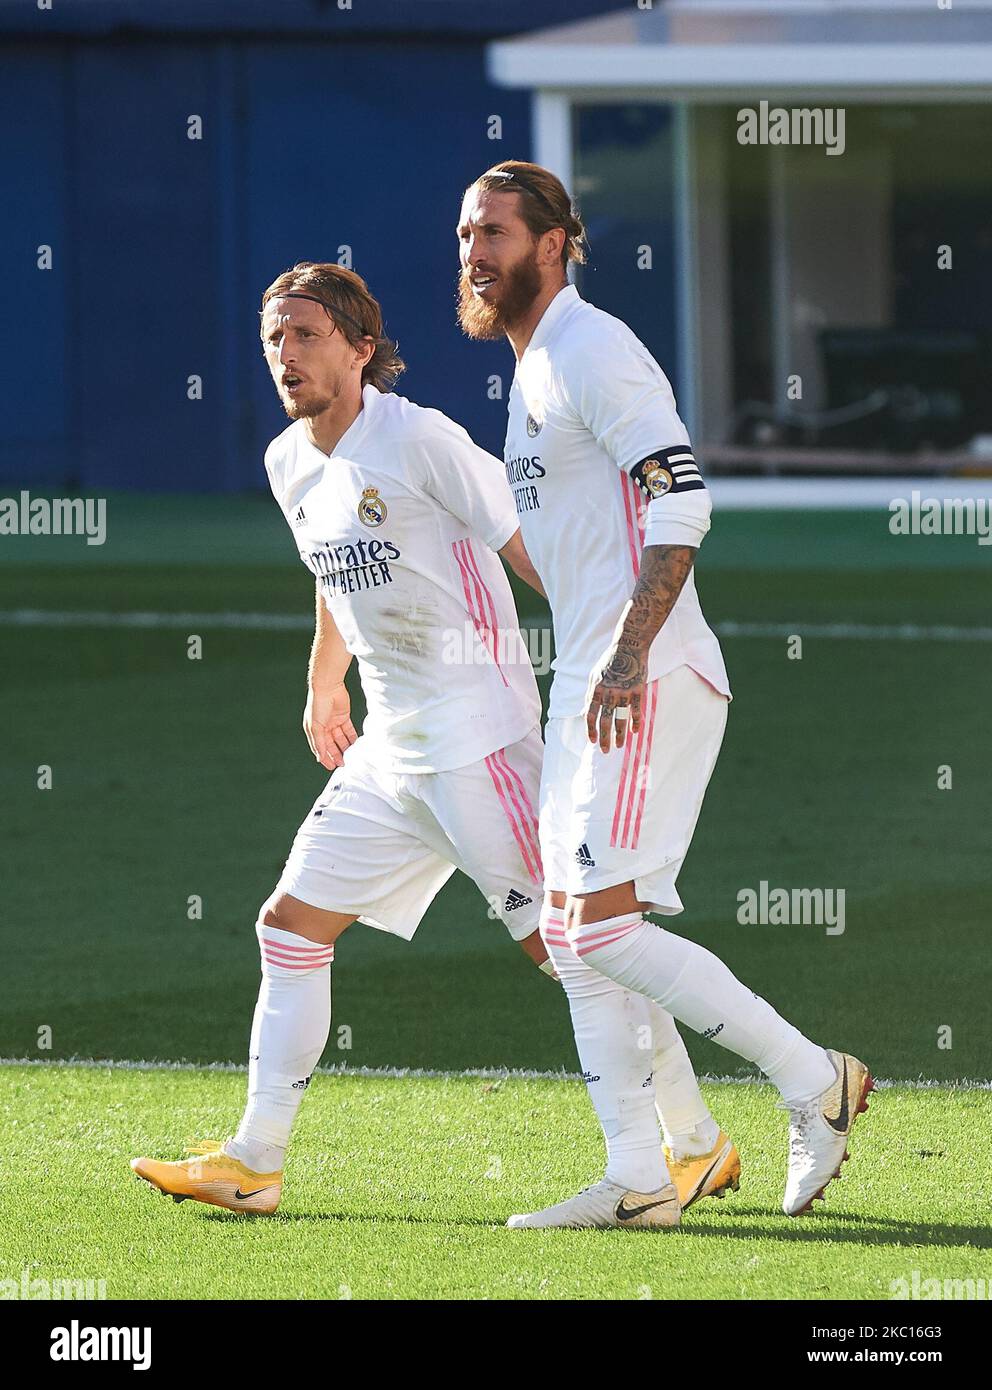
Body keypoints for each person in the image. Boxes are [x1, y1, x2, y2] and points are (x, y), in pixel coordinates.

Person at [457, 161, 872, 1229]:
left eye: (495, 232)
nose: (474, 252)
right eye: (465, 233)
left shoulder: (590, 347)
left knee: (595, 931)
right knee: (569, 927)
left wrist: (630, 650)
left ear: (554, 244)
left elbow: (680, 502)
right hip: (587, 684)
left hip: (637, 678)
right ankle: (639, 1180)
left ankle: (813, 1079)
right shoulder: (534, 366)